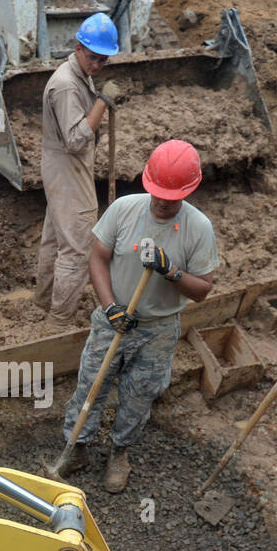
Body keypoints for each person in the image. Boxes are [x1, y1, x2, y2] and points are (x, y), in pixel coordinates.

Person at [55, 141, 217, 492]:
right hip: (111, 319)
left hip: (158, 328)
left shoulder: (198, 228)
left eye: (171, 198)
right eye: (157, 194)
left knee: (139, 394)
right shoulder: (124, 209)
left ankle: (119, 452)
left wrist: (171, 271)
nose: (162, 202)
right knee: (91, 385)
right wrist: (110, 305)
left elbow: (203, 290)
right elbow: (97, 258)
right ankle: (76, 447)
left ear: (188, 192)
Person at [35, 13, 122, 324]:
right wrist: (101, 102)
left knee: (54, 239)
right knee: (77, 248)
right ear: (78, 47)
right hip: (68, 168)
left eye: (103, 60)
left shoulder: (79, 74)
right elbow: (74, 140)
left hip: (63, 168)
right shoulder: (66, 86)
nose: (97, 65)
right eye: (93, 58)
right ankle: (58, 321)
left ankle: (44, 303)